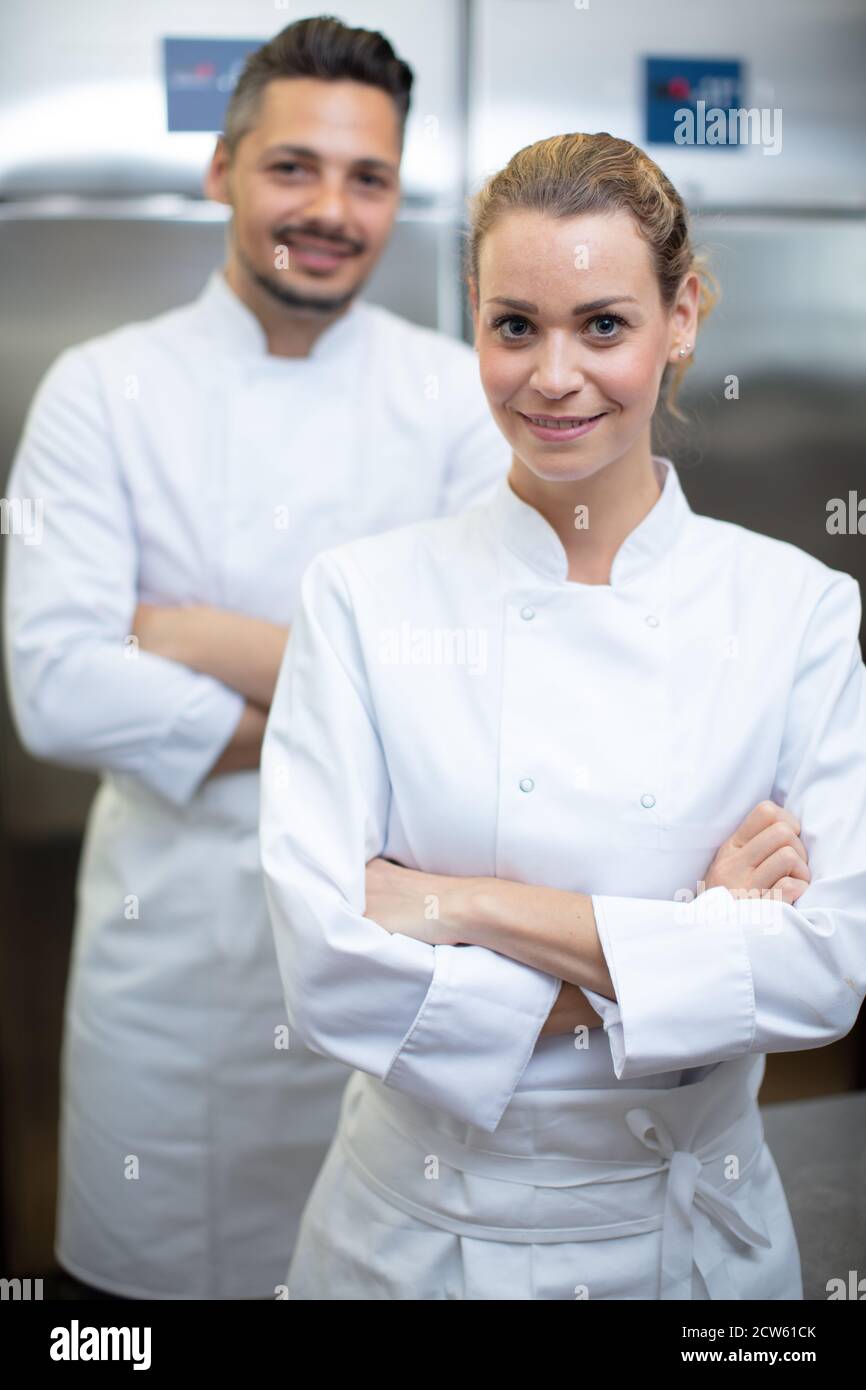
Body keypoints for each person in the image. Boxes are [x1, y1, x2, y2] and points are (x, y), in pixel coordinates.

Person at [259, 130, 866, 1300]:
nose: (550, 376)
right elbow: (329, 970)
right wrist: (691, 935)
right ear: (473, 324)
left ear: (680, 317)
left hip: (689, 1248)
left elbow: (826, 969)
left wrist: (462, 903)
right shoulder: (363, 596)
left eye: (602, 324)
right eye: (513, 325)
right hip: (420, 1239)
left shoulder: (794, 608)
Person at [2, 18, 509, 1300]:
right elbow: (57, 691)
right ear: (223, 169)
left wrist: (193, 639)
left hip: (396, 975)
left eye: (369, 177)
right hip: (173, 973)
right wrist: (363, 693)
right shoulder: (97, 390)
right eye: (293, 167)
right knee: (144, 1297)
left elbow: (481, 698)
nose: (331, 208)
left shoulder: (459, 399)